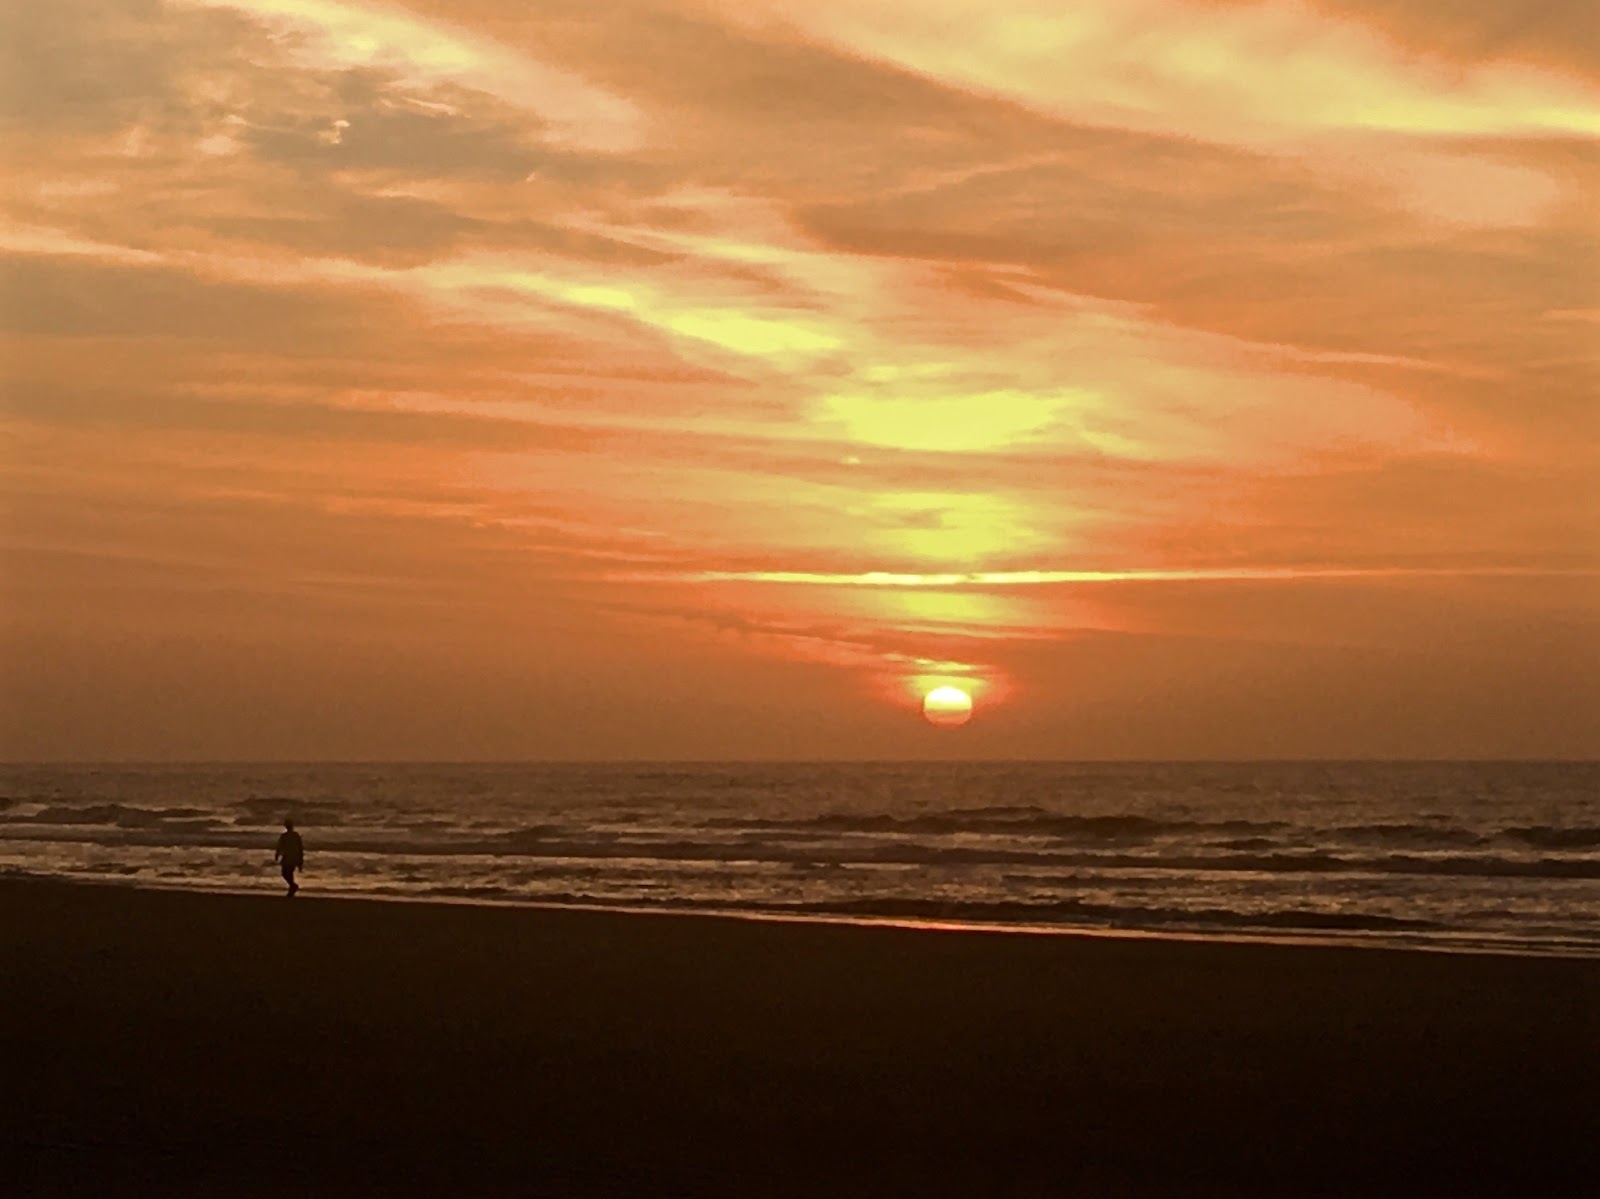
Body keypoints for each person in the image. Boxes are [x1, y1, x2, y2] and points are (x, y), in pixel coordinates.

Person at [275, 818, 305, 897]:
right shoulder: (289, 835)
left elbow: (299, 848)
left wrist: (277, 855)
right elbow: (280, 847)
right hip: (290, 857)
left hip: (290, 857)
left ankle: (293, 887)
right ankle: (292, 886)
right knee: (286, 873)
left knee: (287, 873)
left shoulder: (289, 836)